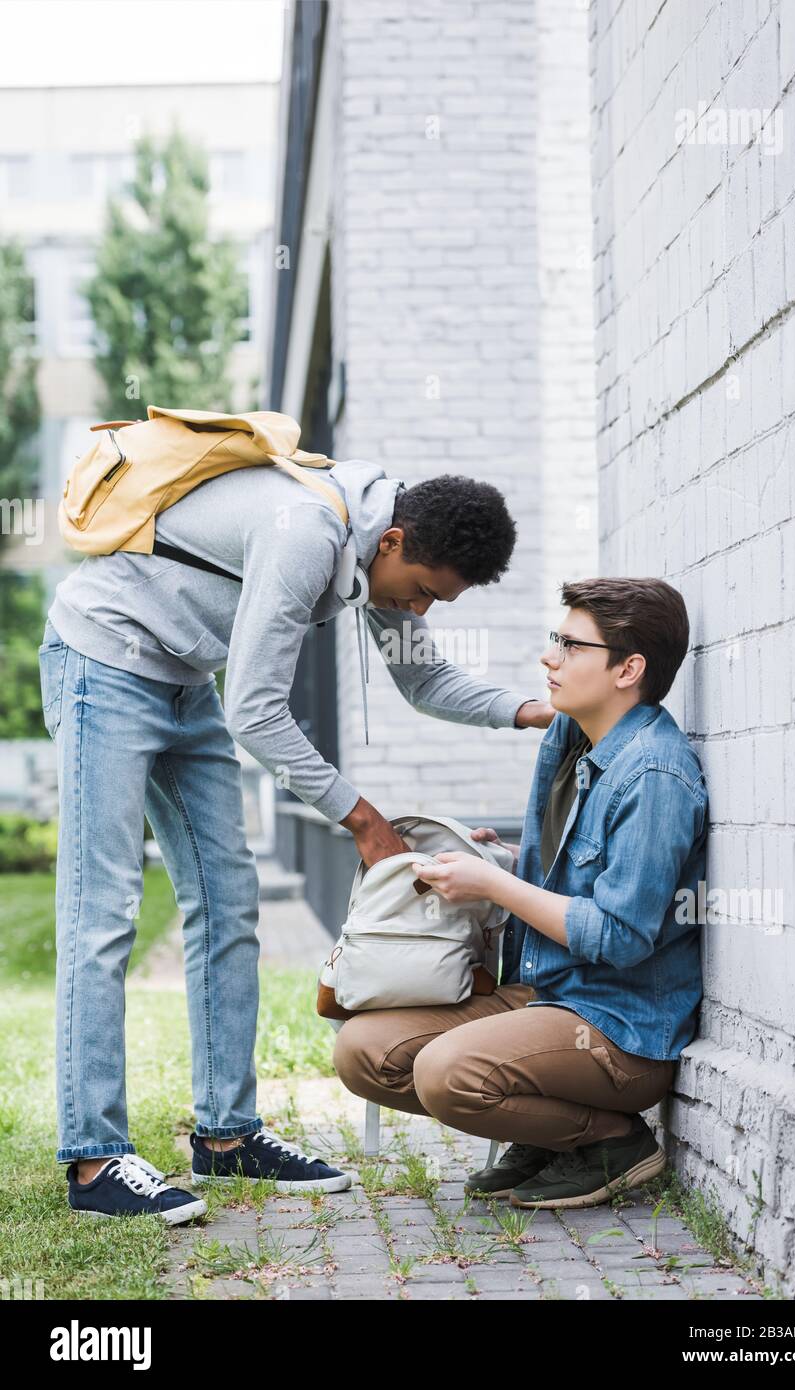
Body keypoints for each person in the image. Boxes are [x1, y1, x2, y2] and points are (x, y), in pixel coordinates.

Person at [38, 457, 553, 1220]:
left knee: (228, 903)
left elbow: (422, 681)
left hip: (182, 680)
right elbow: (255, 711)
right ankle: (94, 1160)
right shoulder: (307, 532)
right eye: (421, 592)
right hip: (104, 664)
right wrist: (361, 819)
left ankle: (226, 1136)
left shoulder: (378, 547)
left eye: (436, 601)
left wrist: (535, 711)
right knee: (103, 909)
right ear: (396, 542)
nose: (419, 609)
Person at [332, 576, 708, 1210]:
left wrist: (496, 886)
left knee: (447, 1073)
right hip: (541, 994)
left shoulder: (655, 775)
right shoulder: (569, 737)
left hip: (617, 1028)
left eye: (571, 645)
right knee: (362, 1052)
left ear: (629, 669)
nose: (549, 657)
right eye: (553, 638)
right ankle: (552, 1137)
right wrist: (494, 860)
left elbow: (620, 935)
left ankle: (613, 1142)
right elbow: (567, 875)